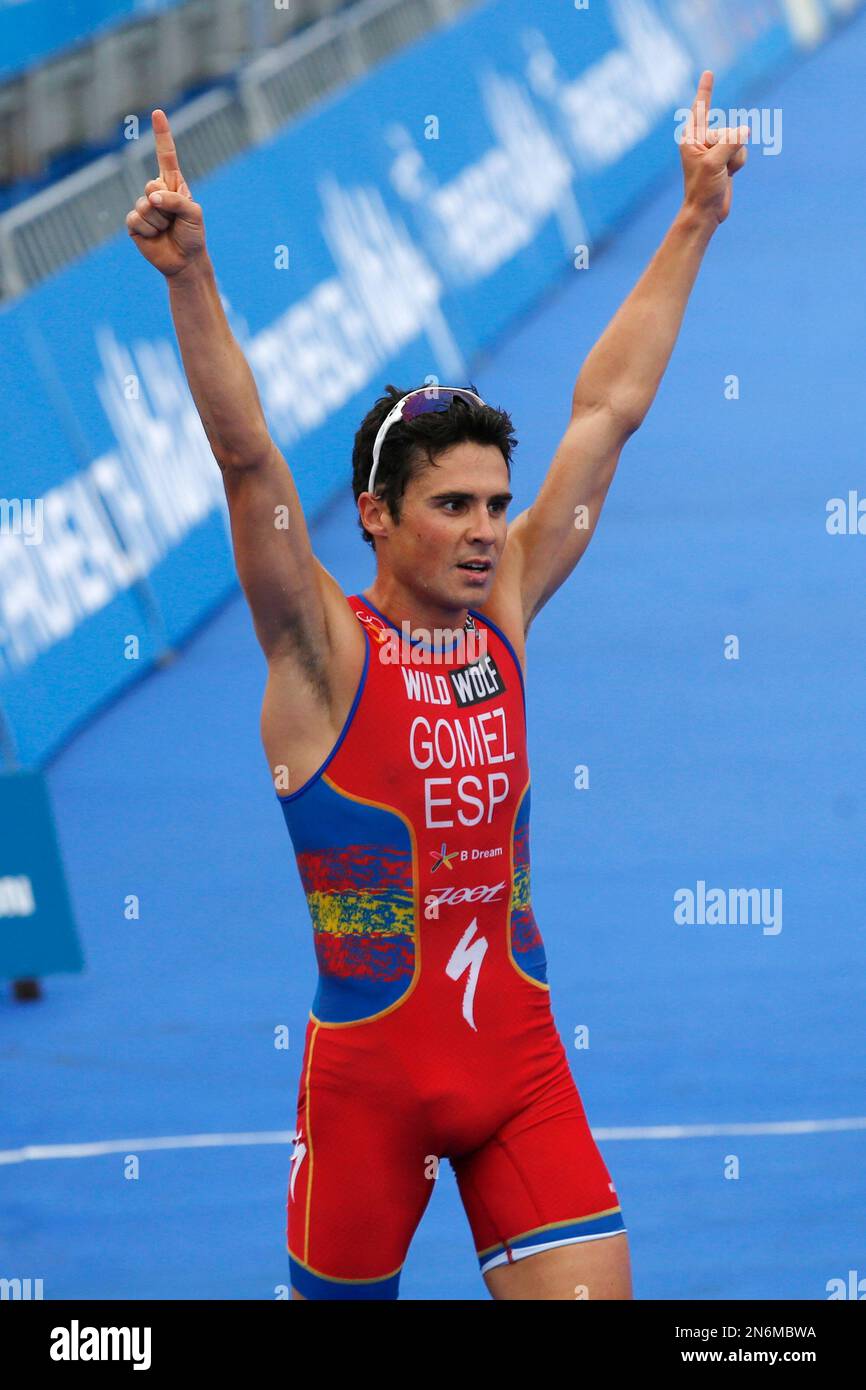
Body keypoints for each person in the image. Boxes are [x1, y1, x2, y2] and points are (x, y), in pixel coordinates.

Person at [126, 73, 748, 1300]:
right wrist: (192, 277)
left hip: (519, 1068)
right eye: (451, 506)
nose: (483, 531)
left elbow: (606, 411)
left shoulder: (508, 600)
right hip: (366, 1095)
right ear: (373, 515)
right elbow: (247, 457)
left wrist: (692, 219)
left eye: (494, 505)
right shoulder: (317, 648)